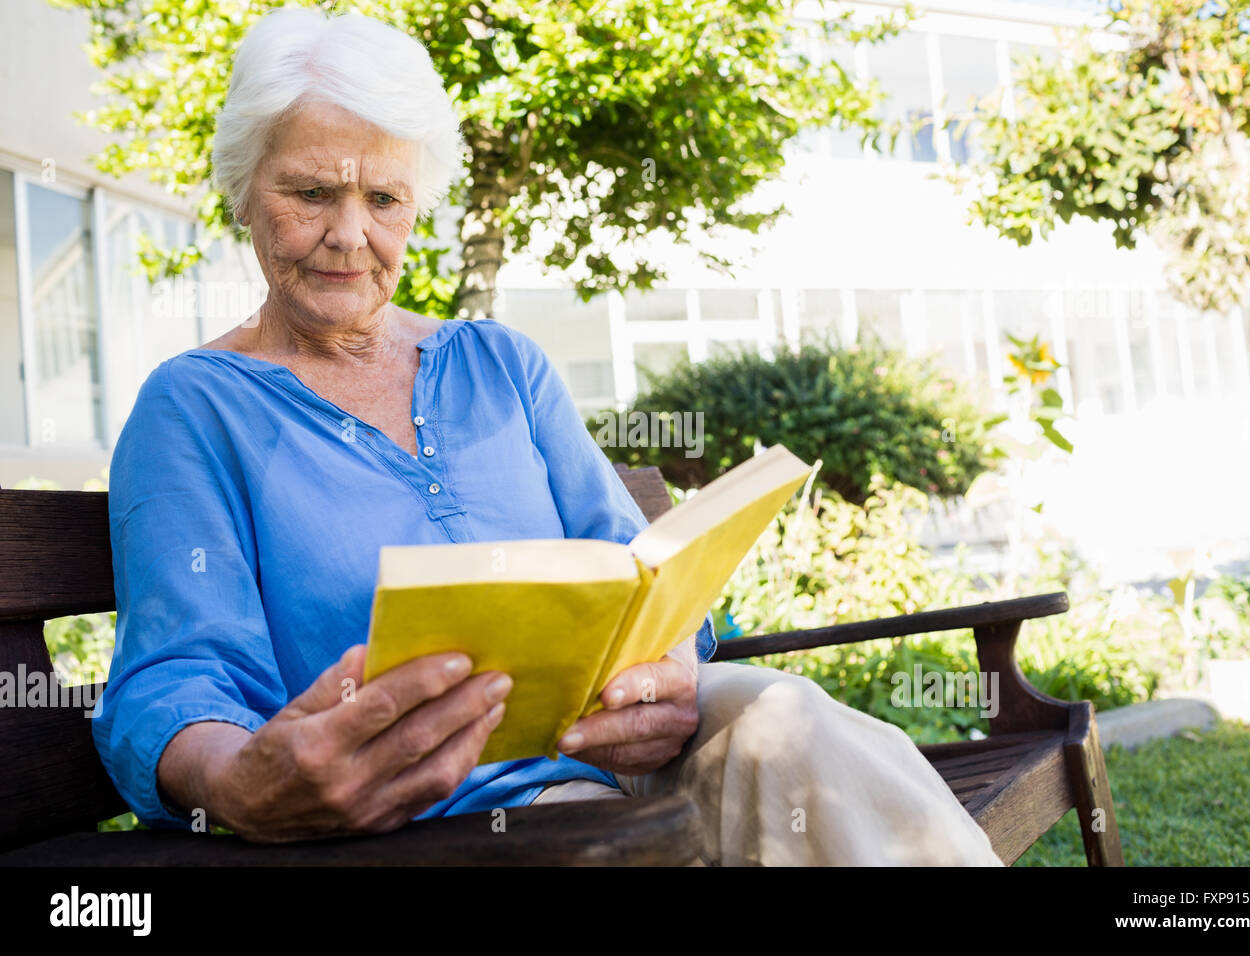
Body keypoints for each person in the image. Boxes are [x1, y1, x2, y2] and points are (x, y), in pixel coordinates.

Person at [94, 6, 1002, 866]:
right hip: (440, 808)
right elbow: (172, 680)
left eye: (384, 197)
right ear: (244, 192)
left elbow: (637, 568)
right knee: (623, 828)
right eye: (309, 192)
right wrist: (239, 781)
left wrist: (670, 671)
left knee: (784, 716)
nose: (349, 234)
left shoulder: (500, 363)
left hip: (616, 743)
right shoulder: (194, 408)